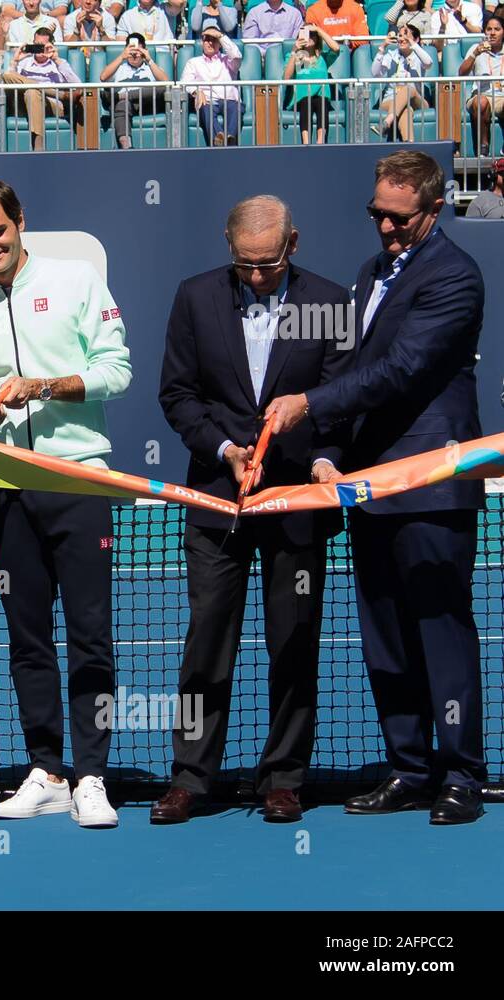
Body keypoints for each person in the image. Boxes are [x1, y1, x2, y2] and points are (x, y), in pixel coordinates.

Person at [265, 150, 487, 826]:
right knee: (383, 632)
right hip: (366, 487)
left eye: (398, 218)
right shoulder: (368, 276)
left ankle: (460, 775)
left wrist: (307, 405)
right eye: (376, 215)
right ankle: (409, 766)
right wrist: (331, 453)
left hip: (429, 481)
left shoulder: (456, 277)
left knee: (440, 629)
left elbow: (400, 370)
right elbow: (356, 370)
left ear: (433, 208)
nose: (385, 229)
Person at [0, 178, 131, 829]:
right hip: (1, 483)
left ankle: (93, 775)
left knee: (90, 635)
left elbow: (116, 369)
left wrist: (43, 386)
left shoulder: (77, 281)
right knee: (27, 636)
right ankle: (47, 770)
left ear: (20, 220)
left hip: (78, 480)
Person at [153, 196, 351, 825]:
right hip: (218, 497)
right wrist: (224, 448)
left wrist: (324, 460)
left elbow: (344, 399)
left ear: (294, 243)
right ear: (228, 247)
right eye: (246, 265)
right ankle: (190, 776)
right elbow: (178, 394)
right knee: (207, 640)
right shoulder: (194, 297)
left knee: (293, 641)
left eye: (268, 264)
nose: (258, 276)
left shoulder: (330, 303)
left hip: (295, 503)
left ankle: (284, 777)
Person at [1, 26, 82, 151]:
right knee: (18, 82)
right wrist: (15, 62)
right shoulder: (23, 63)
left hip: (51, 104)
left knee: (32, 92)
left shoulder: (59, 64)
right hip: (25, 103)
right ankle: (59, 94)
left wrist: (56, 59)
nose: (39, 49)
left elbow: (78, 86)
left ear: (51, 45)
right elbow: (8, 79)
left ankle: (38, 147)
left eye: (43, 45)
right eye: (36, 45)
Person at [101, 31, 167, 148]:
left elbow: (166, 83)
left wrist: (149, 60)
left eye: (138, 50)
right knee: (122, 104)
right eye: (132, 50)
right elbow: (103, 77)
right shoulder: (120, 68)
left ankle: (123, 95)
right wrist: (122, 57)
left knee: (161, 88)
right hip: (125, 106)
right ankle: (127, 146)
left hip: (148, 104)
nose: (135, 54)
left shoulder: (150, 67)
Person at [181, 25, 241, 146]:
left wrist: (220, 35)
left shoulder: (228, 60)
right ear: (202, 42)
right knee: (205, 106)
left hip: (229, 99)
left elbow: (236, 55)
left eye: (214, 39)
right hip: (207, 100)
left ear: (220, 43)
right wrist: (196, 91)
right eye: (207, 39)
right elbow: (185, 82)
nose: (210, 43)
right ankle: (220, 139)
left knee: (236, 107)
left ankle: (227, 139)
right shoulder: (193, 62)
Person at [372, 24, 432, 143]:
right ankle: (409, 147)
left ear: (416, 39)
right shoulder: (391, 55)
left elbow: (428, 63)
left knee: (409, 88)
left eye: (406, 35)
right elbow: (375, 73)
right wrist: (382, 48)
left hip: (416, 100)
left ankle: (387, 122)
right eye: (400, 35)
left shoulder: (419, 54)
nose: (402, 38)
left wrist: (413, 44)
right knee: (406, 110)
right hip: (390, 99)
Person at [284, 23, 339, 145]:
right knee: (307, 102)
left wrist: (318, 29)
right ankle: (306, 142)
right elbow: (286, 78)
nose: (308, 37)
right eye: (305, 34)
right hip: (301, 99)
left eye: (312, 35)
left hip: (321, 98)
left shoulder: (323, 58)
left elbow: (336, 48)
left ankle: (320, 141)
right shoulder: (295, 57)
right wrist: (294, 51)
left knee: (321, 101)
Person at [460, 14, 504, 157]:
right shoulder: (475, 48)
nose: (492, 33)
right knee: (481, 101)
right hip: (481, 96)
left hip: (502, 97)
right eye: (489, 29)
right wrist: (475, 54)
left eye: (497, 29)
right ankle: (483, 146)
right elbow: (461, 73)